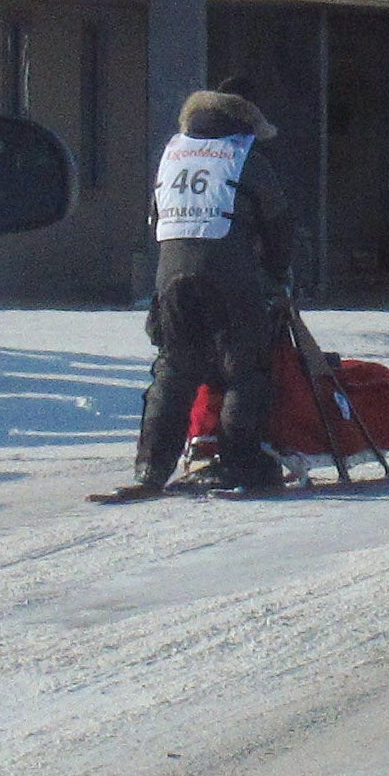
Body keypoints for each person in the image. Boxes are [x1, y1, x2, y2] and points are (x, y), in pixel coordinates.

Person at [109, 82, 299, 500]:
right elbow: (278, 222)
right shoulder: (245, 157)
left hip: (171, 275)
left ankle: (151, 468)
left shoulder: (172, 154)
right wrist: (276, 273)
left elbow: (155, 218)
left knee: (174, 370)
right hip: (230, 275)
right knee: (245, 367)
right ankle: (239, 461)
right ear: (242, 123)